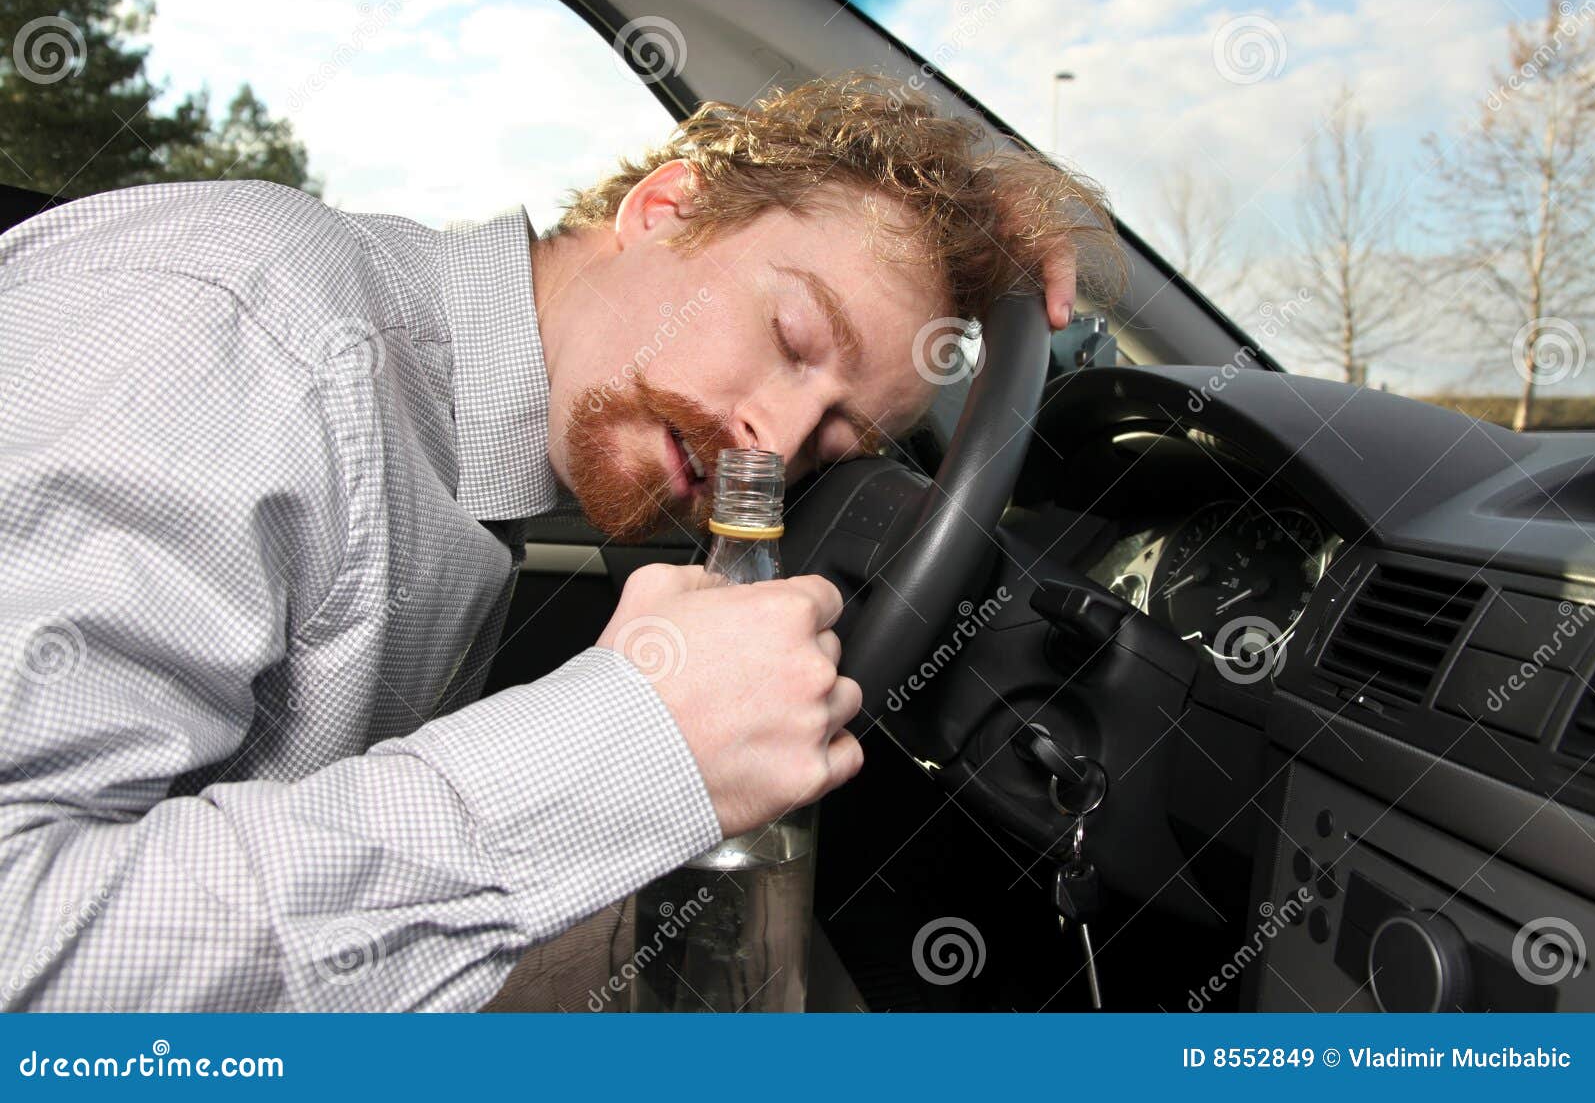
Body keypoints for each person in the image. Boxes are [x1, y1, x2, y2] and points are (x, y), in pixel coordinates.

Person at [0, 74, 1119, 1010]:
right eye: (791, 334)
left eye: (839, 435)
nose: (774, 443)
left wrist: (970, 221)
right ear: (665, 206)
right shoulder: (246, 334)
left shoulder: (467, 444)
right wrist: (623, 745)